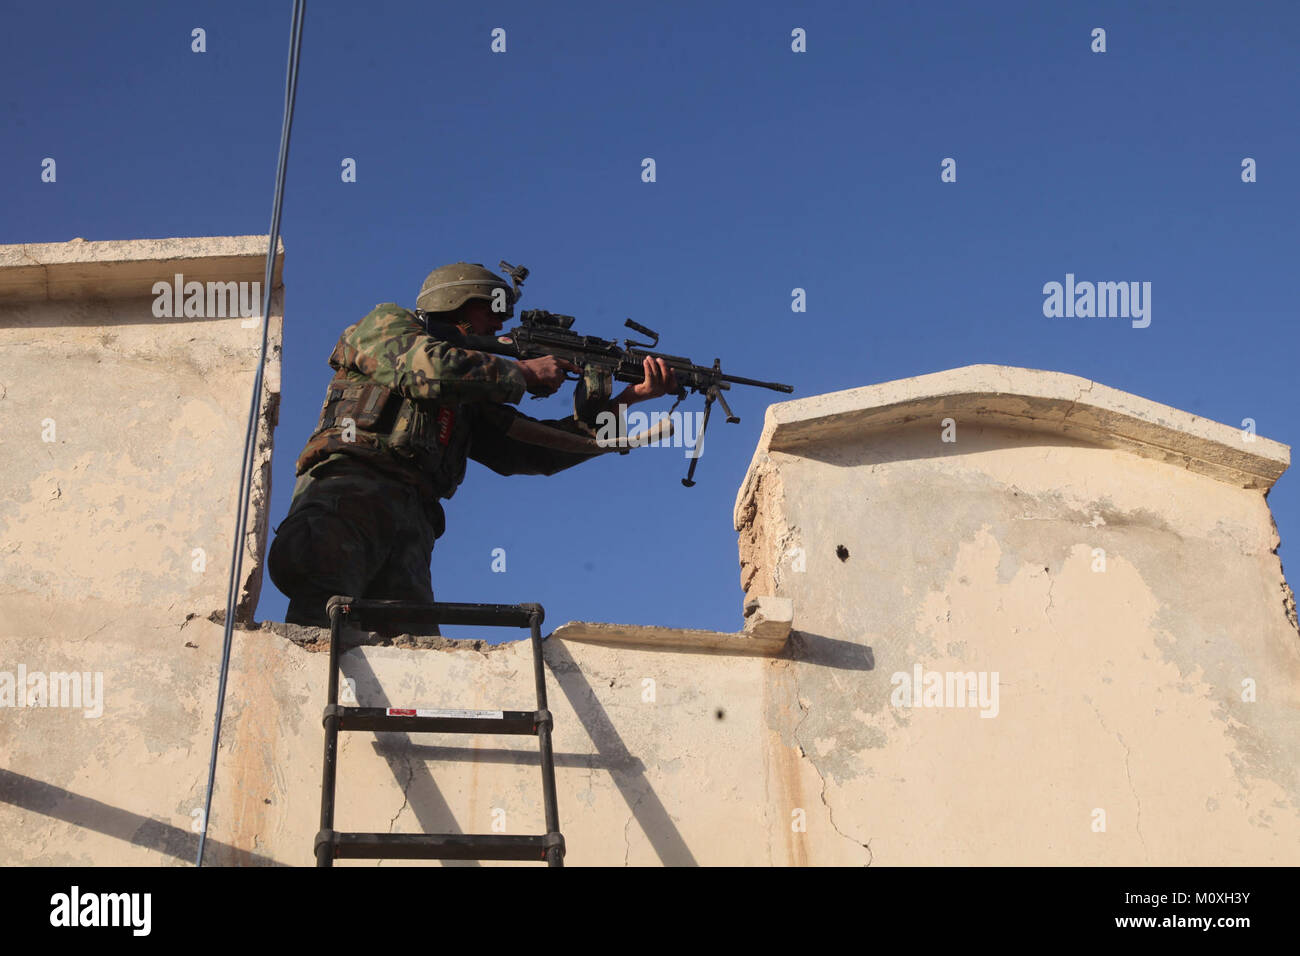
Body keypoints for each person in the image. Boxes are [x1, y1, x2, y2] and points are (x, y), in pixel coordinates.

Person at [266, 261, 677, 633]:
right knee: (321, 630)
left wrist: (628, 400)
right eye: (490, 312)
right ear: (454, 304)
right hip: (348, 497)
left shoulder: (472, 394)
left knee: (410, 660)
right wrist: (520, 372)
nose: (497, 327)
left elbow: (533, 450)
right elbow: (427, 370)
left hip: (415, 526)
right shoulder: (386, 324)